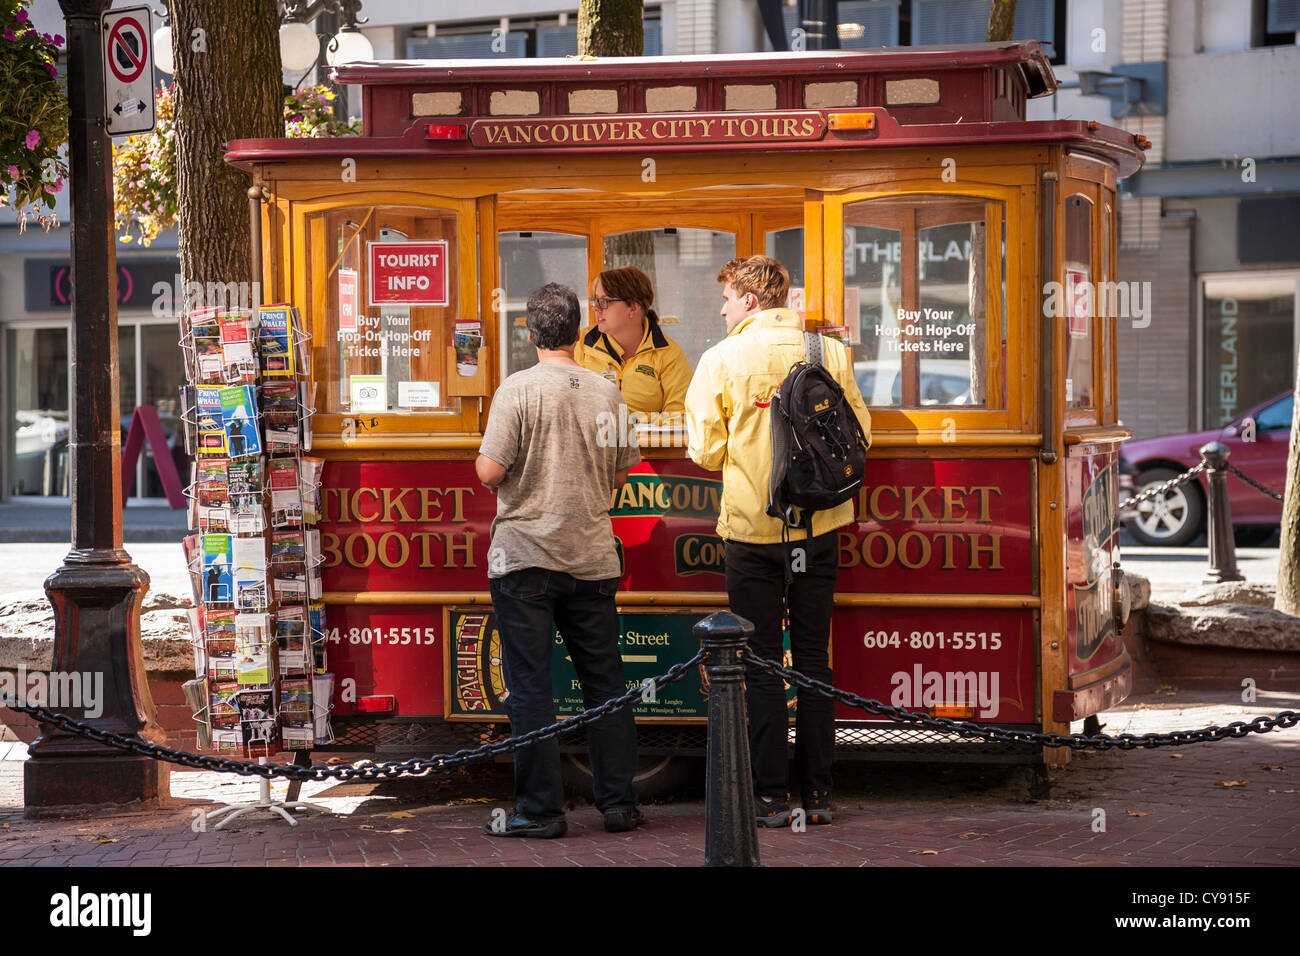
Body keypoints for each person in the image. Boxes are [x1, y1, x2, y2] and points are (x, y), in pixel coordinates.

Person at [685, 255, 872, 828]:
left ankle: (768, 795)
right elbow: (863, 433)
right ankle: (818, 793)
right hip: (818, 527)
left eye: (726, 299)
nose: (721, 310)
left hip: (752, 530)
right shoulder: (829, 353)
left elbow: (704, 451)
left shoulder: (720, 359)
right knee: (813, 657)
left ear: (749, 300)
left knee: (761, 660)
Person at [476, 281, 644, 839]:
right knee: (606, 684)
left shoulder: (516, 390)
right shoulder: (609, 392)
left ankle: (540, 812)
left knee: (531, 688)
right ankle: (619, 805)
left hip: (525, 558)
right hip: (592, 559)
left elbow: (491, 470)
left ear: (531, 334)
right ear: (578, 332)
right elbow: (620, 476)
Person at [576, 266, 693, 421]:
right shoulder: (580, 343)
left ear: (633, 307)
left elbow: (680, 417)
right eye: (595, 300)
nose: (596, 308)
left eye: (604, 301)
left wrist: (630, 421)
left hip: (644, 438)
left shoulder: (669, 354)